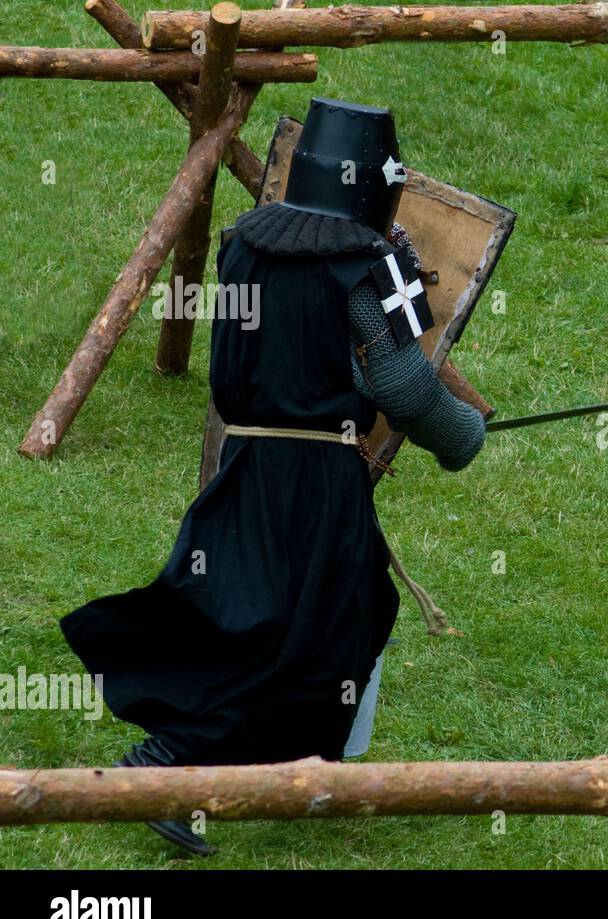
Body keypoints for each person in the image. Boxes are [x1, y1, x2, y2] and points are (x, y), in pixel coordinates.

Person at [62, 98, 486, 854]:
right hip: (314, 477)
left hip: (246, 457)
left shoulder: (248, 241)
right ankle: (172, 765)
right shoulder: (358, 262)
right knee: (313, 631)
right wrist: (461, 437)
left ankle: (291, 774)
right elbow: (402, 387)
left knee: (269, 614)